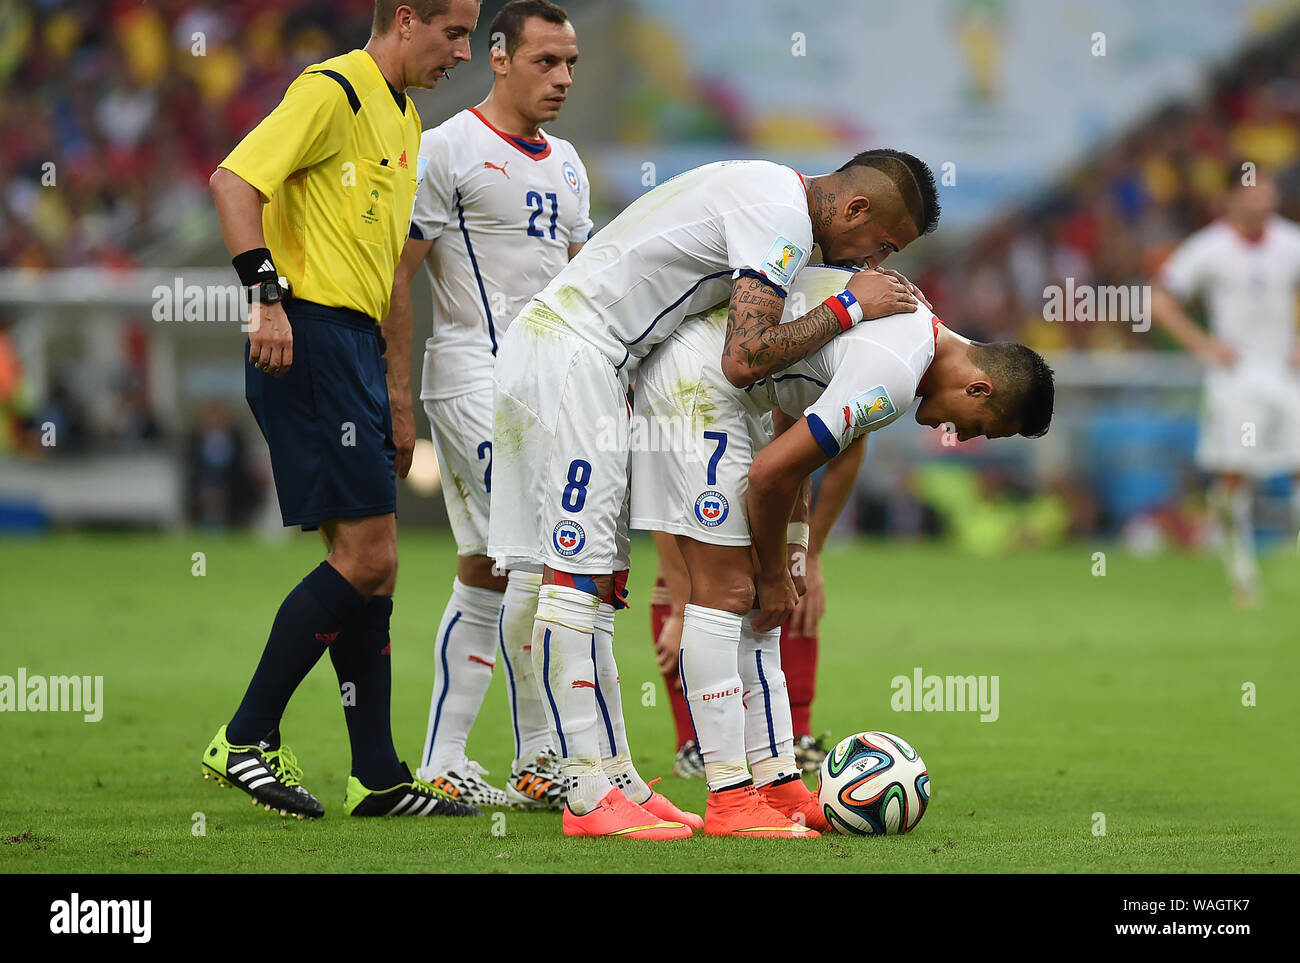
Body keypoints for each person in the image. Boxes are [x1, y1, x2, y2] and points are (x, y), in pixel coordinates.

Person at [488, 149, 941, 839]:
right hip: (571, 352)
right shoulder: (782, 212)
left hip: (603, 363)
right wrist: (851, 305)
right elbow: (746, 353)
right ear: (853, 209)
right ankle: (583, 791)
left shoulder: (769, 193)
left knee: (603, 583)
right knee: (572, 579)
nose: (875, 264)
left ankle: (615, 779)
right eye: (881, 245)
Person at [629, 263, 1054, 836]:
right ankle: (729, 798)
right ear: (980, 388)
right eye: (981, 426)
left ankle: (778, 786)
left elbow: (793, 439)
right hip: (699, 382)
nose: (966, 435)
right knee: (731, 590)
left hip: (733, 391)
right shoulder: (897, 374)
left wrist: (796, 555)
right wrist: (778, 571)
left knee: (762, 612)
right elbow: (770, 476)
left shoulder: (915, 332)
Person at [200, 0, 484, 821]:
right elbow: (232, 180)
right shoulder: (332, 91)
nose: (463, 51)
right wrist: (267, 300)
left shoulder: (403, 120)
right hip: (307, 335)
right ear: (404, 19)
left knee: (376, 564)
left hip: (353, 346)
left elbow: (390, 274)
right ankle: (246, 736)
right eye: (453, 33)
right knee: (366, 557)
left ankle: (378, 775)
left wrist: (398, 398)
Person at [385, 0, 586, 810]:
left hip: (547, 391)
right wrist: (397, 394)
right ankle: (541, 755)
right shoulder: (448, 148)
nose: (563, 77)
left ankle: (443, 758)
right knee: (539, 558)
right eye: (546, 61)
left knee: (488, 569)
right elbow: (400, 275)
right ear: (498, 59)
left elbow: (583, 291)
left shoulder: (569, 163)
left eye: (571, 62)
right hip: (473, 379)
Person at [648, 436, 866, 779]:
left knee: (784, 578)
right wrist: (679, 610)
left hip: (763, 466)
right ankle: (694, 743)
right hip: (697, 459)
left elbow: (843, 449)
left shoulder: (822, 391)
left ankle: (794, 736)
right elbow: (663, 490)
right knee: (707, 571)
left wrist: (810, 553)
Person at [1152, 164, 1300, 608]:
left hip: (1285, 372)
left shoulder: (1290, 242)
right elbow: (1160, 299)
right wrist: (1202, 344)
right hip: (1235, 377)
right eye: (1255, 191)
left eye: (1268, 190)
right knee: (1236, 474)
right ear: (1233, 197)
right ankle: (1242, 573)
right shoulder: (1209, 248)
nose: (1264, 198)